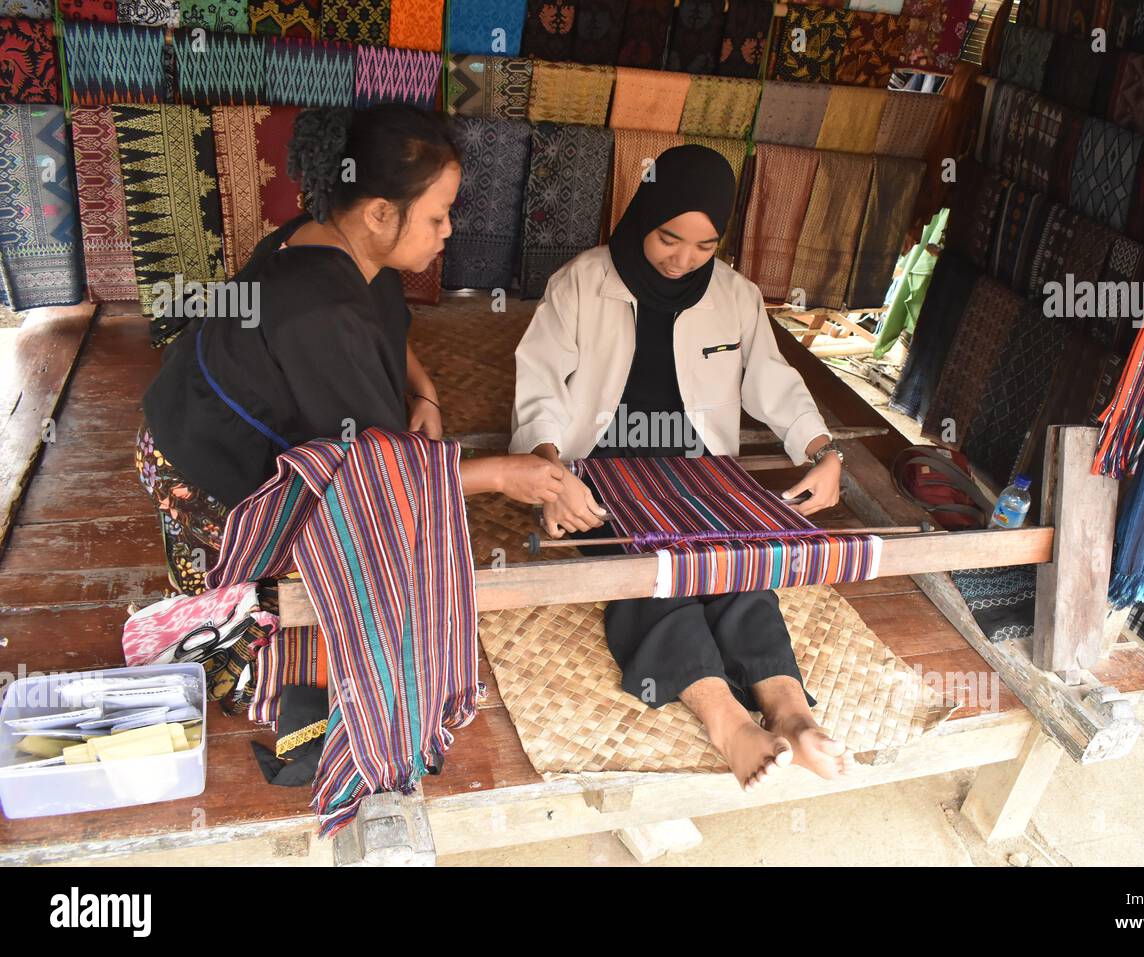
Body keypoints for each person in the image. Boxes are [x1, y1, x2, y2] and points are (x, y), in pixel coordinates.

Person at [511, 145, 850, 791]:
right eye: (669, 237)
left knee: (739, 562)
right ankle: (724, 717)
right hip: (599, 471)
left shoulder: (736, 295)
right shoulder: (582, 281)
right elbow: (541, 383)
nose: (682, 257)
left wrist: (822, 449)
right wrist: (549, 471)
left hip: (701, 470)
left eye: (704, 245)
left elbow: (773, 382)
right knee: (656, 571)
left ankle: (790, 709)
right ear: (645, 215)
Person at [138, 105, 563, 594]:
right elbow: (373, 478)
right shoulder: (321, 312)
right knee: (309, 588)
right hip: (200, 469)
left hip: (187, 405)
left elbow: (383, 325)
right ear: (380, 213)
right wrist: (502, 474)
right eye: (437, 217)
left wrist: (423, 389)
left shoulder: (329, 239)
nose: (447, 231)